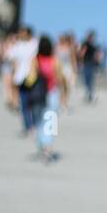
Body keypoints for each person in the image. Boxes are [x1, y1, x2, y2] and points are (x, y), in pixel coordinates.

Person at [27, 35, 68, 163]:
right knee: (51, 122)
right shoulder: (54, 61)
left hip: (38, 94)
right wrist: (64, 95)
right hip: (52, 93)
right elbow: (60, 79)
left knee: (39, 120)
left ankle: (41, 145)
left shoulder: (35, 60)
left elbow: (31, 78)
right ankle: (48, 147)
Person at [10, 25, 38, 132]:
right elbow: (11, 58)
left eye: (23, 33)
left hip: (33, 77)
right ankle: (28, 126)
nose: (21, 35)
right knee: (24, 103)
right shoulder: (17, 45)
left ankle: (35, 124)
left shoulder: (35, 44)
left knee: (34, 102)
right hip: (20, 77)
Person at [79, 30, 100, 102]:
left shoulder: (87, 44)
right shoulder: (91, 45)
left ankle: (89, 94)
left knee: (88, 79)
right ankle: (89, 94)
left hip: (88, 63)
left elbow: (82, 53)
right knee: (89, 80)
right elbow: (96, 56)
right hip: (89, 63)